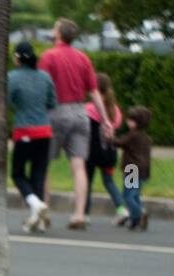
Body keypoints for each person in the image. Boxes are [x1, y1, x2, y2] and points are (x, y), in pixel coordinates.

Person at [39, 18, 115, 230]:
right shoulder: (83, 58)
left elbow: (42, 86)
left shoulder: (48, 57)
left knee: (44, 164)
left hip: (55, 112)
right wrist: (105, 120)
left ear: (59, 34)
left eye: (54, 28)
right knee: (79, 165)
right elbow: (94, 92)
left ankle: (44, 211)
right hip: (80, 113)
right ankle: (79, 214)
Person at [7, 41, 56, 233]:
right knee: (38, 174)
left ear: (17, 58)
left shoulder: (12, 77)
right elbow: (52, 102)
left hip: (24, 131)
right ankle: (38, 218)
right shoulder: (45, 77)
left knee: (18, 173)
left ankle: (35, 205)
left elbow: (5, 100)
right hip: (45, 131)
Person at [83, 73, 127, 225]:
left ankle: (85, 214)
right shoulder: (116, 111)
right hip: (109, 153)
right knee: (109, 182)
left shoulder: (88, 108)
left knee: (86, 182)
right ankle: (122, 210)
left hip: (90, 153)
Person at [116, 106, 153, 231]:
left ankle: (139, 213)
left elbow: (120, 142)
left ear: (137, 123)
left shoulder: (132, 136)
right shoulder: (146, 138)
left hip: (132, 169)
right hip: (142, 170)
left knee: (128, 196)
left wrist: (108, 138)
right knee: (135, 196)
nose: (128, 121)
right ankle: (134, 220)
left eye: (131, 120)